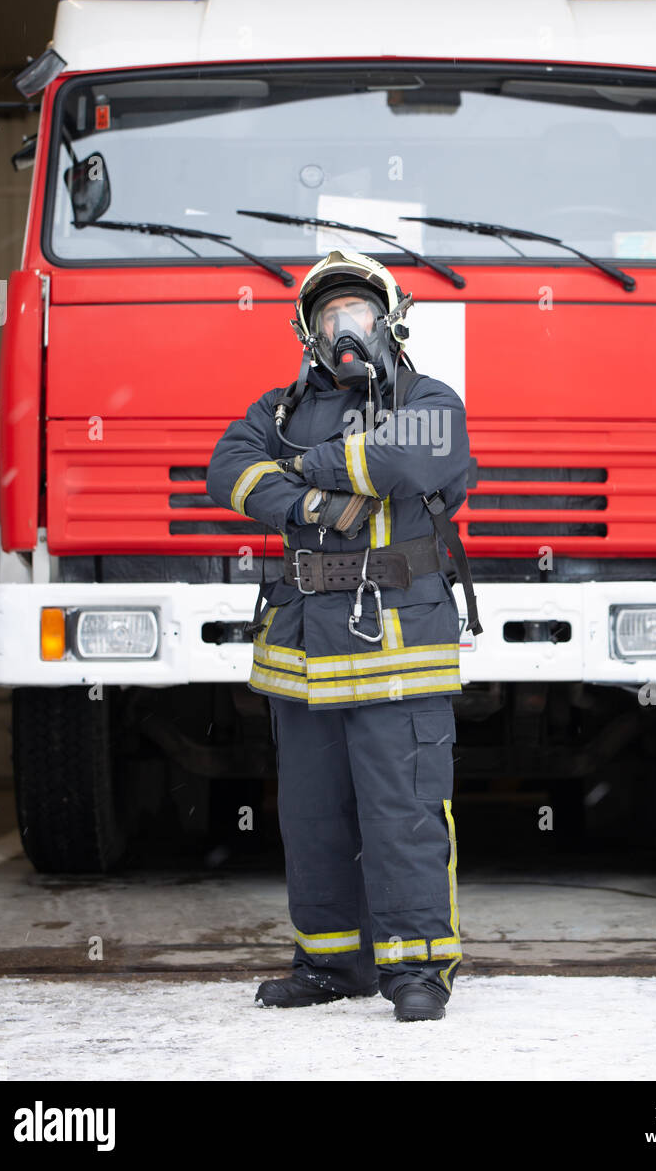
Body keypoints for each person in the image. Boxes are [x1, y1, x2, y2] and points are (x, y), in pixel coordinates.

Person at [206, 247, 474, 1021]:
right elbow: (228, 467)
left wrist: (306, 466)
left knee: (407, 812)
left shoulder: (429, 398)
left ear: (388, 323)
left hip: (400, 642)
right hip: (301, 647)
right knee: (313, 815)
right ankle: (330, 964)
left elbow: (416, 455)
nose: (344, 328)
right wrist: (315, 504)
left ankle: (419, 970)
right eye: (330, 316)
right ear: (307, 331)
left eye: (357, 313)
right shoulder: (277, 407)